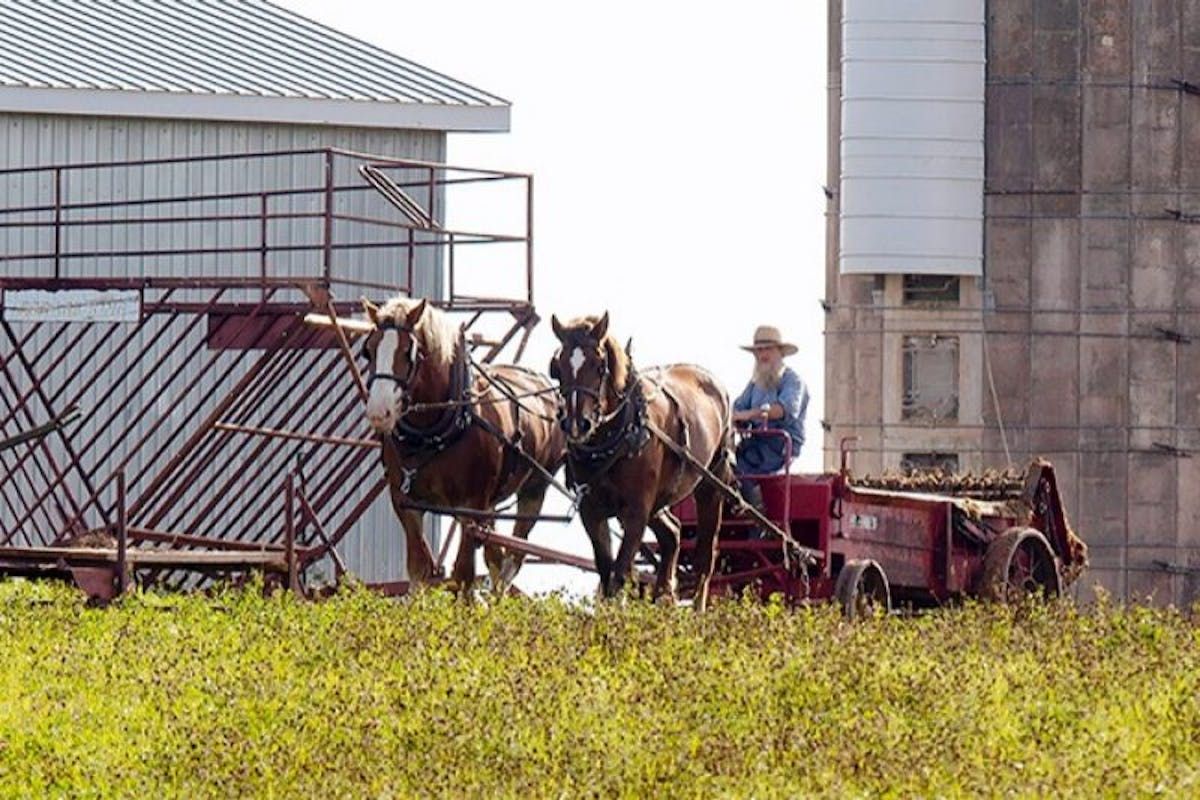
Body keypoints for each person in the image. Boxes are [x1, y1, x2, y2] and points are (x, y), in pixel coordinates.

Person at [731, 325, 809, 517]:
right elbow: (737, 409)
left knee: (743, 470)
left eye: (768, 349)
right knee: (723, 463)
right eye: (759, 351)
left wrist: (749, 415)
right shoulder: (755, 384)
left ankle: (757, 516)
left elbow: (783, 410)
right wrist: (734, 420)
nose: (762, 355)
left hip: (780, 445)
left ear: (780, 352)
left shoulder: (793, 381)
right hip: (756, 443)